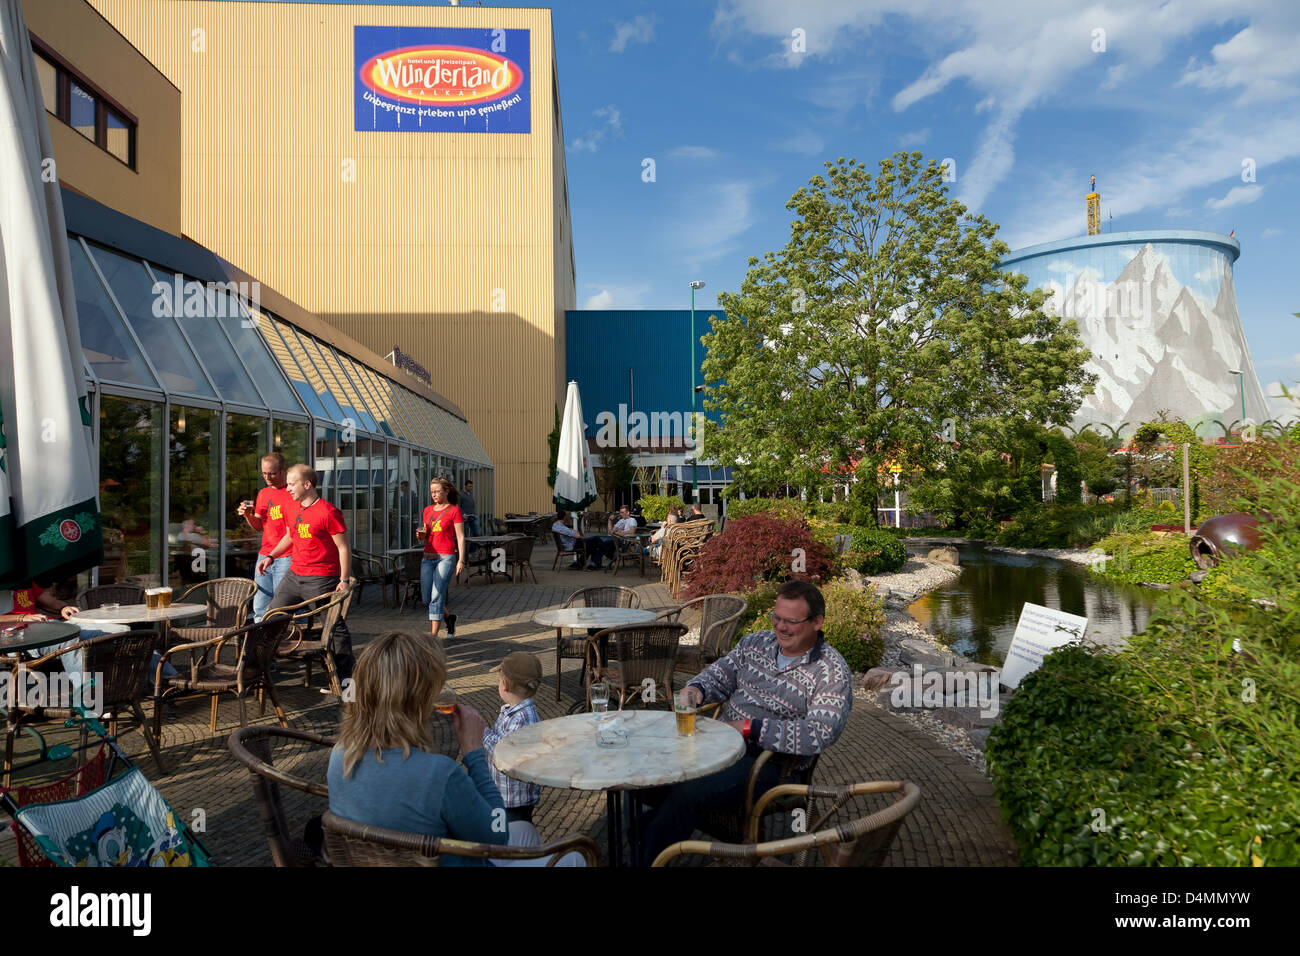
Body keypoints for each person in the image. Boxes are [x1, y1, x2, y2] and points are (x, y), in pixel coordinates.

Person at [636, 580, 852, 865]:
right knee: (640, 775)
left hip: (772, 764)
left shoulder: (830, 669)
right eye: (776, 617)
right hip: (719, 745)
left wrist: (751, 728)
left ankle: (646, 857)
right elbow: (719, 675)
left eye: (791, 621)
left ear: (817, 622)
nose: (781, 627)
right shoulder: (755, 643)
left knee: (687, 793)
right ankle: (641, 841)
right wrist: (697, 689)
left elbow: (820, 733)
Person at [327, 631, 583, 867]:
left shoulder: (340, 755)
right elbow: (497, 832)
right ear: (419, 701)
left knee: (526, 832)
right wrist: (473, 755)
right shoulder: (439, 774)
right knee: (576, 856)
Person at [258, 464, 355, 685]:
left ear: (307, 484)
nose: (288, 488)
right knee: (270, 617)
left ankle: (347, 682)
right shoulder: (292, 508)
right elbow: (290, 536)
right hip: (294, 575)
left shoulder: (329, 512)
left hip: (321, 578)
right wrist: (271, 556)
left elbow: (343, 548)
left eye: (292, 484)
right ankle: (258, 671)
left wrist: (344, 580)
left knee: (334, 627)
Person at [482, 651, 542, 824]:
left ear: (505, 685)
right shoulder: (515, 711)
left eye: (499, 680)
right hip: (509, 795)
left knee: (509, 837)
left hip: (512, 800)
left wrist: (482, 733)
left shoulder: (520, 719)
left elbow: (504, 752)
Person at [238, 453, 294, 623]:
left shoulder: (292, 492)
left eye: (272, 473)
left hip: (287, 555)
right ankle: (260, 644)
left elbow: (294, 530)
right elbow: (258, 526)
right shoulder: (263, 493)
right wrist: (246, 515)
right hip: (265, 553)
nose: (267, 477)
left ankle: (283, 642)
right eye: (264, 473)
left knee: (280, 604)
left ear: (283, 471)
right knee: (260, 604)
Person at [419, 477, 465, 638]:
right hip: (427, 557)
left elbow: (460, 537)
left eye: (437, 491)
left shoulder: (454, 510)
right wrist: (421, 535)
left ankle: (433, 636)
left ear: (446, 491)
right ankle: (449, 618)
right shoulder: (427, 510)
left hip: (446, 557)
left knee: (436, 596)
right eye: (432, 492)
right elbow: (426, 534)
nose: (434, 495)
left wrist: (461, 560)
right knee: (426, 599)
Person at [0, 581, 78, 622]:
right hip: (14, 635)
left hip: (41, 624)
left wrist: (64, 608)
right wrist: (22, 618)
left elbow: (48, 600)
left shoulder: (24, 581)